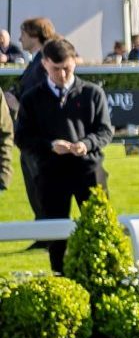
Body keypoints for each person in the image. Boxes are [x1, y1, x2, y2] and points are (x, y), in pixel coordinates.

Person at [16, 38, 109, 273]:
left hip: (88, 171)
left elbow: (105, 131)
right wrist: (50, 146)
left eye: (67, 67)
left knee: (99, 226)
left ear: (74, 62)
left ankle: (101, 275)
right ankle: (60, 278)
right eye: (56, 69)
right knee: (55, 234)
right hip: (51, 174)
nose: (63, 74)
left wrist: (86, 144)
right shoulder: (32, 98)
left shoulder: (92, 93)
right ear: (44, 64)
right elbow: (22, 138)